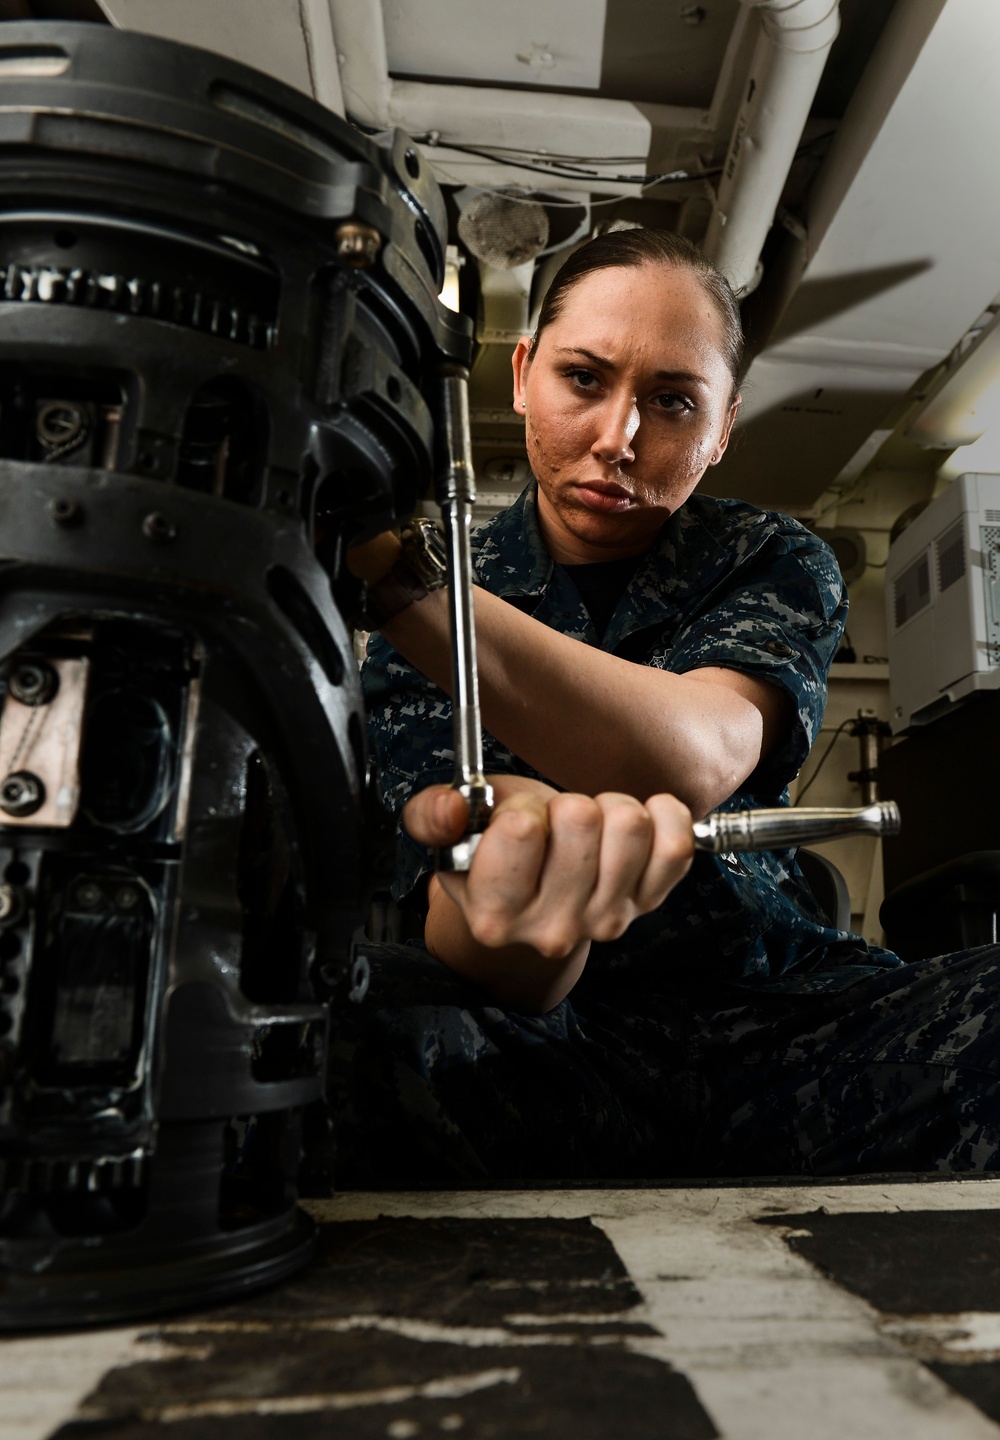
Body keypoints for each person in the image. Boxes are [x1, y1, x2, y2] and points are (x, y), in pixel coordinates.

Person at [333, 227, 1000, 1185]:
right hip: (549, 1048)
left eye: (673, 402)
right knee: (348, 1035)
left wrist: (400, 582)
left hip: (782, 1028)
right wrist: (520, 917)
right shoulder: (435, 622)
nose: (619, 439)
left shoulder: (767, 559)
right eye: (584, 380)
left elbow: (693, 757)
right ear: (522, 374)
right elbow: (471, 937)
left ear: (724, 427)